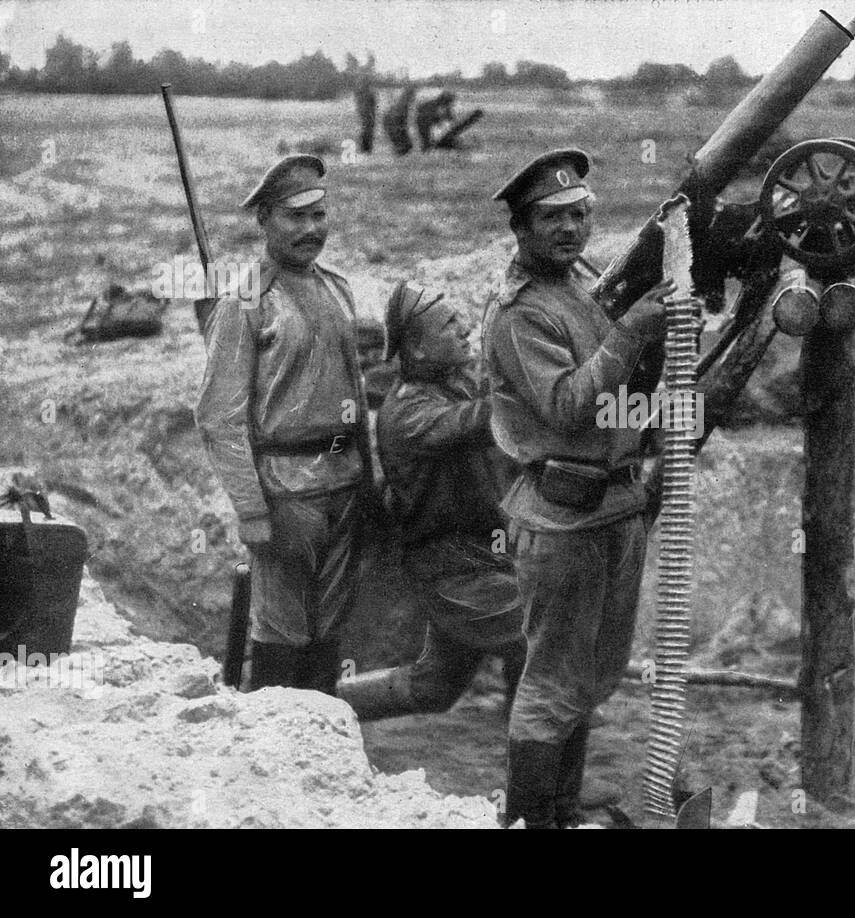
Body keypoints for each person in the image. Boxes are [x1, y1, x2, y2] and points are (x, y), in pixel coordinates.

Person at [482, 148, 673, 828]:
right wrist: (632, 330)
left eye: (579, 215)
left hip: (612, 506)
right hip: (562, 517)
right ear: (522, 229)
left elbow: (622, 387)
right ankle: (532, 819)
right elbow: (567, 407)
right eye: (551, 218)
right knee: (551, 684)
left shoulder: (576, 286)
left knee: (590, 678)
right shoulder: (521, 312)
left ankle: (560, 812)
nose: (569, 229)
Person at [195, 154, 373, 694]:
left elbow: (359, 391)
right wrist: (250, 508)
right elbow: (218, 418)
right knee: (282, 631)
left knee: (331, 631)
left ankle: (322, 745)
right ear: (265, 221)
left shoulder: (339, 289)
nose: (311, 229)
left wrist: (370, 474)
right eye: (295, 218)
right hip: (285, 492)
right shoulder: (245, 302)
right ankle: (277, 749)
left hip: (344, 482)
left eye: (319, 215)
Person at [337, 281, 526, 717]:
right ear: (418, 349)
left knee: (434, 688)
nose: (463, 331)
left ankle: (323, 704)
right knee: (539, 638)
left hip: (477, 561)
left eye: (461, 321)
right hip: (454, 572)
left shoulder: (449, 382)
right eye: (449, 326)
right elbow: (480, 419)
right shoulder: (408, 413)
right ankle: (536, 751)